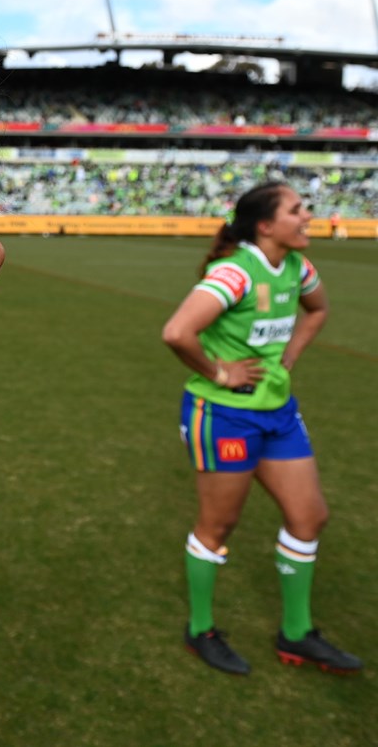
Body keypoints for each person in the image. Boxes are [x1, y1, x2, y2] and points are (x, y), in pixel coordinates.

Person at [161, 182, 361, 676]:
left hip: (278, 411)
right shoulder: (235, 272)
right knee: (218, 526)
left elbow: (318, 310)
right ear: (266, 225)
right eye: (297, 210)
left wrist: (291, 353)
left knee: (309, 516)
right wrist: (218, 372)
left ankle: (296, 634)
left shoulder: (300, 267)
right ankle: (201, 629)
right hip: (222, 415)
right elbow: (177, 332)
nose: (308, 216)